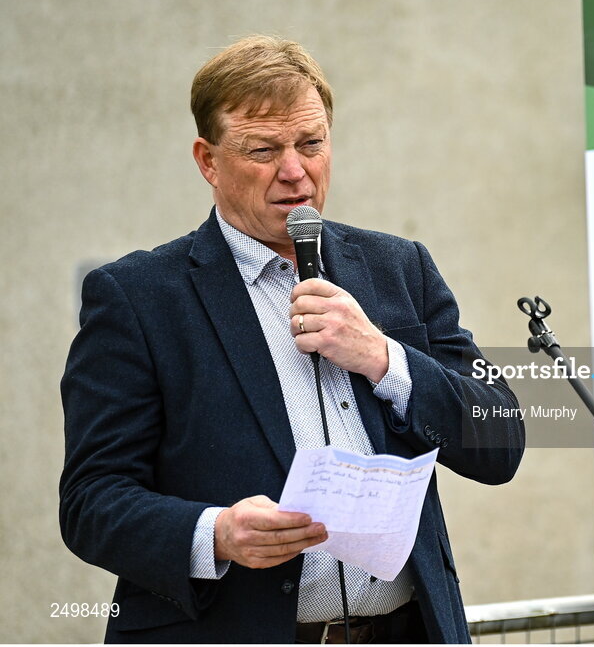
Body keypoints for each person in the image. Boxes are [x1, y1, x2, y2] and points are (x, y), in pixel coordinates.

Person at [59, 35, 525, 644]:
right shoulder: (139, 298)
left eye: (311, 143)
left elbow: (501, 439)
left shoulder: (400, 268)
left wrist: (384, 359)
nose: (294, 171)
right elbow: (91, 501)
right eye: (263, 149)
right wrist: (215, 534)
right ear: (208, 161)